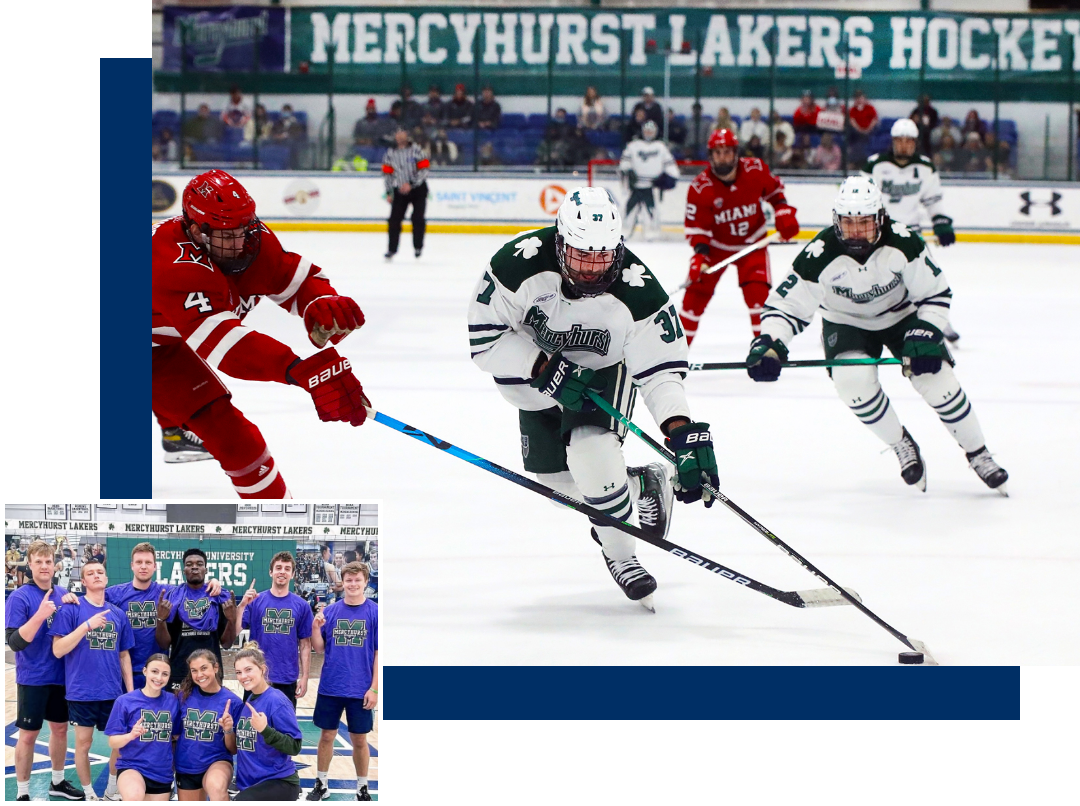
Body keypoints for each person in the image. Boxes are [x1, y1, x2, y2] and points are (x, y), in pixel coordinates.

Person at [467, 186, 720, 610]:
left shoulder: (639, 292)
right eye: (581, 255)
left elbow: (661, 373)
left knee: (592, 456)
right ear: (560, 240)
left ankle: (623, 557)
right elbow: (484, 341)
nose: (591, 268)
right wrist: (542, 367)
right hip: (535, 380)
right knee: (555, 481)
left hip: (603, 373)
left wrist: (683, 433)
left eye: (602, 256)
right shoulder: (518, 265)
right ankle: (642, 484)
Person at [745, 175, 1008, 495]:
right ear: (836, 221)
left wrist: (927, 331)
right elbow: (785, 307)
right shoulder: (818, 254)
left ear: (880, 218)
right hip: (846, 322)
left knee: (940, 384)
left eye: (865, 223)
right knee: (853, 383)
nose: (856, 232)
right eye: (848, 223)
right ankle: (900, 443)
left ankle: (978, 453)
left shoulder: (903, 241)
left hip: (903, 317)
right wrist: (770, 344)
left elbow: (935, 294)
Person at [153, 170, 369, 492]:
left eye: (245, 227)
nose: (241, 242)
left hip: (160, 347)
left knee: (237, 440)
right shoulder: (171, 263)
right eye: (228, 234)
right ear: (197, 231)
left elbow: (287, 276)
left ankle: (281, 531)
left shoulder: (248, 238)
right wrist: (298, 369)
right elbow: (227, 347)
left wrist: (319, 301)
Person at [679, 128, 800, 345]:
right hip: (717, 248)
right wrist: (700, 256)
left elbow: (775, 194)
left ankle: (764, 353)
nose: (722, 157)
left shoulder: (755, 169)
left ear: (736, 153)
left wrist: (783, 211)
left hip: (752, 244)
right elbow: (698, 231)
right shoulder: (700, 187)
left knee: (758, 300)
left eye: (727, 152)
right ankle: (673, 358)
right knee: (693, 299)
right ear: (710, 156)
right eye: (717, 153)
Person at [861, 119, 960, 341]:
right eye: (900, 140)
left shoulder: (925, 168)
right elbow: (861, 197)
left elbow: (933, 200)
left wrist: (941, 222)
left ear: (915, 143)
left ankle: (938, 321)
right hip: (879, 233)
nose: (904, 145)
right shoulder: (875, 166)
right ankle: (853, 323)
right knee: (865, 280)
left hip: (911, 233)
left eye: (909, 141)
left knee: (927, 278)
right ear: (893, 142)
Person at [50, 561, 136, 801]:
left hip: (113, 693)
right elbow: (58, 650)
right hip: (82, 693)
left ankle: (111, 788)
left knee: (120, 744)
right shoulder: (71, 609)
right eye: (90, 573)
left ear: (107, 580)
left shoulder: (117, 614)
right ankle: (88, 793)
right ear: (83, 582)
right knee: (83, 745)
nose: (96, 575)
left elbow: (124, 655)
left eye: (100, 572)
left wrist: (130, 692)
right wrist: (87, 626)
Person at [5, 541, 84, 801]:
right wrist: (39, 615)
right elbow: (15, 642)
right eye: (38, 561)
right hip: (33, 678)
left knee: (60, 730)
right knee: (28, 735)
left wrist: (74, 603)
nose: (43, 566)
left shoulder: (63, 593)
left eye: (48, 561)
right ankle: (23, 793)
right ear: (29, 564)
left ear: (55, 565)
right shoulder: (19, 597)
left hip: (61, 677)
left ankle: (58, 782)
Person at [106, 541, 224, 692]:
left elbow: (194, 586)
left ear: (155, 566)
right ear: (132, 565)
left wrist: (213, 582)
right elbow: (91, 598)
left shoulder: (169, 592)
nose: (143, 566)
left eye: (148, 562)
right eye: (139, 562)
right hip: (127, 669)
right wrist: (70, 597)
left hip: (159, 670)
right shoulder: (116, 593)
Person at [306, 562, 378, 801]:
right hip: (331, 686)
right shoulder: (331, 611)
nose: (353, 584)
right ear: (342, 583)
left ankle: (362, 786)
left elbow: (379, 653)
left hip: (360, 689)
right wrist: (316, 627)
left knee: (359, 739)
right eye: (349, 580)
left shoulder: (375, 612)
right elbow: (319, 649)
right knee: (326, 736)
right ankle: (322, 783)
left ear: (365, 582)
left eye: (358, 580)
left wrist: (374, 688)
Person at [234, 551, 313, 708]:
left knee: (283, 729)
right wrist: (242, 604)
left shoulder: (302, 605)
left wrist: (304, 677)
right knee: (251, 728)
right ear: (271, 572)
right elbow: (235, 631)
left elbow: (305, 645)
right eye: (278, 567)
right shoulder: (255, 601)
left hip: (286, 678)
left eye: (287, 568)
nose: (282, 571)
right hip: (257, 676)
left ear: (292, 574)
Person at [155, 548, 238, 693]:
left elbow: (227, 643)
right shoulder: (173, 598)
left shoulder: (218, 597)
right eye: (189, 564)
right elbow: (163, 643)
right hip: (180, 670)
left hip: (211, 671)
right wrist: (160, 619)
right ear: (184, 570)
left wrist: (232, 620)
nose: (194, 567)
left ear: (206, 570)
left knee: (210, 714)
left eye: (199, 564)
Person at [232, 643, 304, 801]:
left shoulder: (277, 701)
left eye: (248, 669)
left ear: (263, 669)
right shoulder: (250, 699)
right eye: (238, 672)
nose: (243, 676)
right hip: (252, 784)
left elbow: (294, 746)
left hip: (278, 781)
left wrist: (265, 729)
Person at [105, 654, 181, 802]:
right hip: (132, 767)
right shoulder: (125, 701)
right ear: (145, 671)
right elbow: (112, 742)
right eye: (154, 671)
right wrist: (130, 735)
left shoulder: (173, 701)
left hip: (161, 772)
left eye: (164, 674)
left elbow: (176, 735)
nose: (159, 678)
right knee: (134, 797)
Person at [175, 649, 245, 801]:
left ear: (216, 668)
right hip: (187, 765)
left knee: (215, 787)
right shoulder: (183, 696)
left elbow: (233, 749)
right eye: (194, 670)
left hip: (217, 761)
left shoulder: (233, 702)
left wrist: (228, 730)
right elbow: (175, 734)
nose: (199, 675)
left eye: (204, 668)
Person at [619, 120, 679, 241]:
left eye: (651, 131)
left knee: (651, 212)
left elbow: (671, 166)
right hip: (636, 186)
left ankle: (651, 235)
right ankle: (623, 233)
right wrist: (628, 171)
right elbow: (624, 163)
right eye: (646, 131)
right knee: (629, 211)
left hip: (651, 186)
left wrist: (671, 177)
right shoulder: (633, 146)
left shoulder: (660, 147)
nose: (648, 133)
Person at [382, 128, 430, 260]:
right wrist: (389, 191)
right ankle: (392, 249)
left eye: (403, 133)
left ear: (407, 136)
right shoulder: (390, 154)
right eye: (397, 134)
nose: (400, 136)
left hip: (418, 189)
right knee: (394, 220)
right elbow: (387, 174)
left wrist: (411, 183)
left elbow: (424, 169)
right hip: (400, 190)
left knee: (418, 218)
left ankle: (418, 246)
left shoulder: (417, 150)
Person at [846, 90, 879, 168]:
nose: (859, 100)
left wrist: (868, 129)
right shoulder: (853, 109)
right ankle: (855, 161)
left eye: (861, 98)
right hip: (857, 133)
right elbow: (852, 121)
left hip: (869, 132)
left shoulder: (870, 108)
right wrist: (860, 130)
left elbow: (874, 120)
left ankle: (864, 161)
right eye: (857, 98)